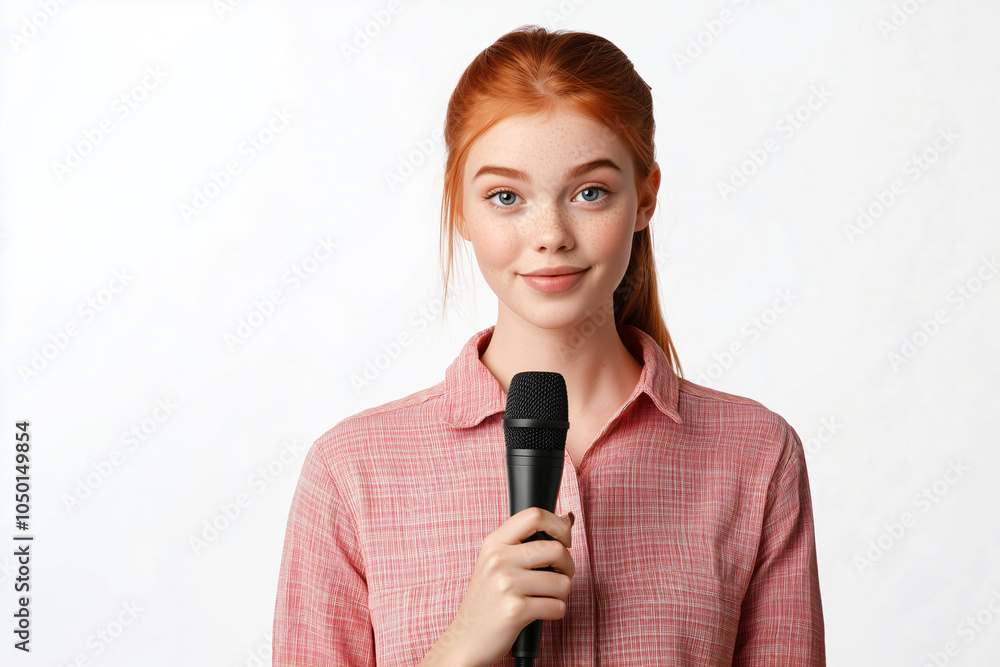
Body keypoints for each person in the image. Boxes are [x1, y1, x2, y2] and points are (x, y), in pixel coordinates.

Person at [272, 24, 825, 666]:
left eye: (590, 192)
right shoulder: (353, 473)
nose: (551, 234)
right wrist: (462, 645)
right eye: (506, 197)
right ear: (460, 208)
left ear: (645, 198)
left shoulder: (755, 456)